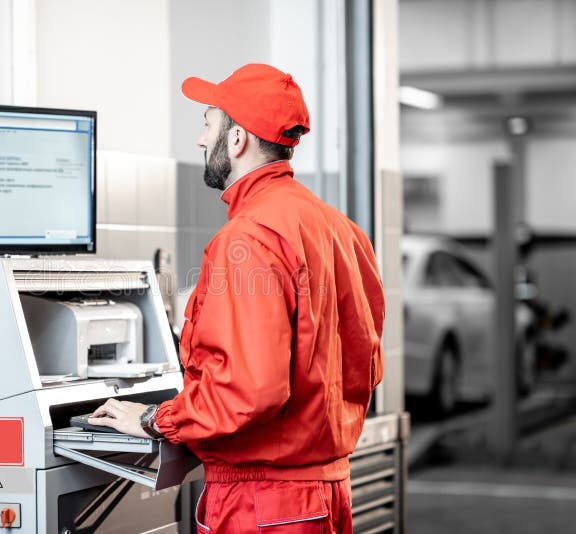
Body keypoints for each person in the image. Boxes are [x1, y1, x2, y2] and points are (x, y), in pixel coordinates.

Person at [89, 63, 385, 533]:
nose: (200, 140)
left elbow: (249, 390)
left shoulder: (247, 239)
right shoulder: (341, 230)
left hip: (263, 504)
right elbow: (362, 364)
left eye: (208, 124)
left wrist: (154, 418)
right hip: (324, 494)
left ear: (237, 139)